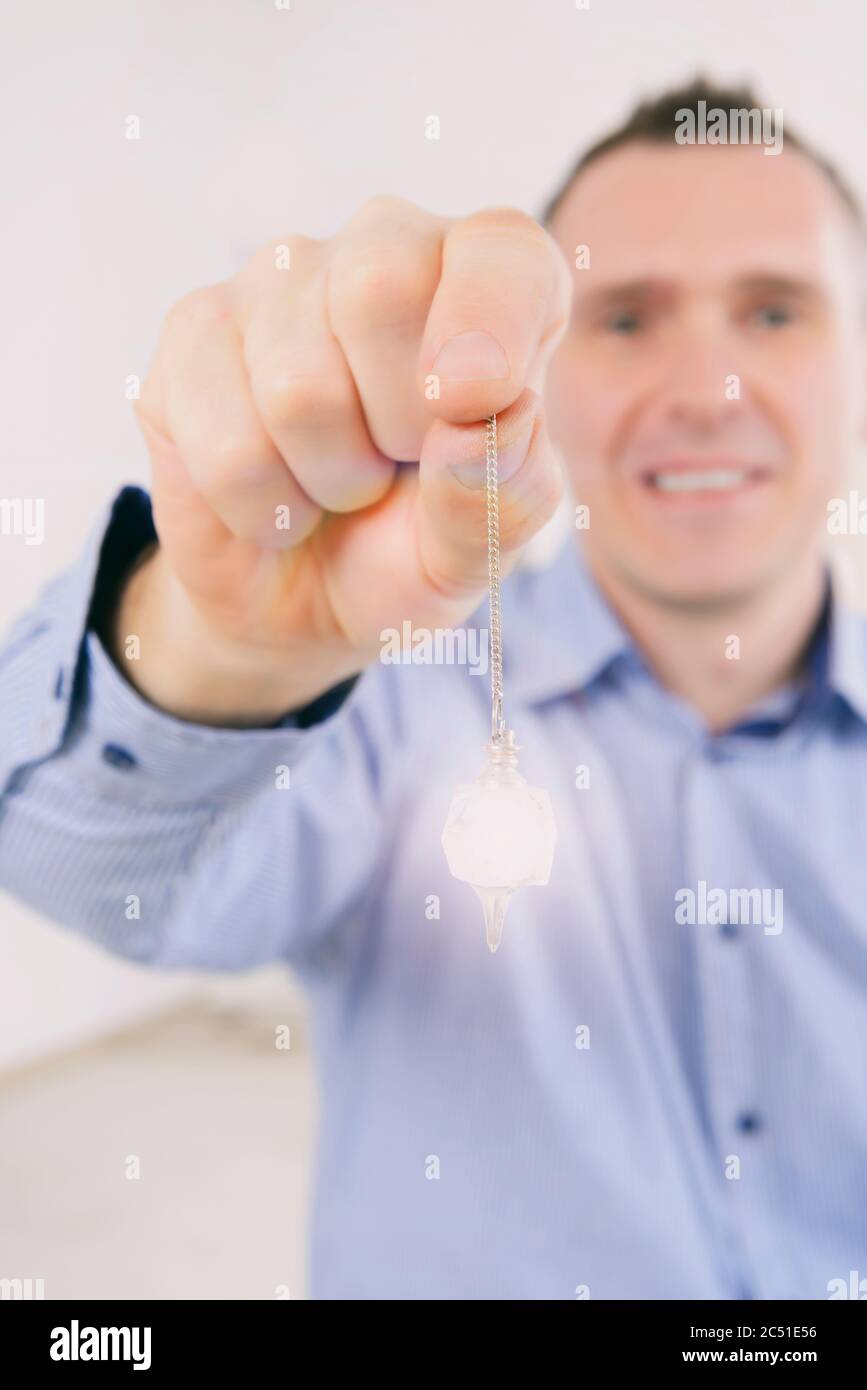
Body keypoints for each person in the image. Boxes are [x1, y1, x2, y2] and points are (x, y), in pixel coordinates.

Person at [2, 78, 866, 1300]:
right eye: (626, 319)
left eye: (775, 312)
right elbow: (77, 856)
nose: (706, 391)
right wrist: (234, 649)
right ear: (544, 379)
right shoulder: (393, 704)